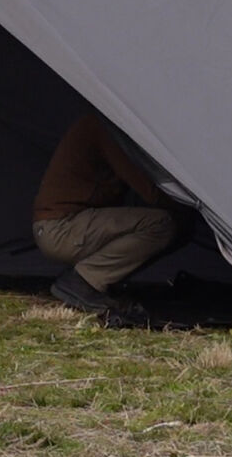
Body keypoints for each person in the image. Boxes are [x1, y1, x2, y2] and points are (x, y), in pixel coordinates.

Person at [32, 111, 183, 316]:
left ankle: (100, 281)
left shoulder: (103, 125)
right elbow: (145, 187)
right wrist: (190, 204)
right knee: (161, 224)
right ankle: (84, 281)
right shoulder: (104, 127)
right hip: (60, 228)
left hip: (64, 227)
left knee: (172, 225)